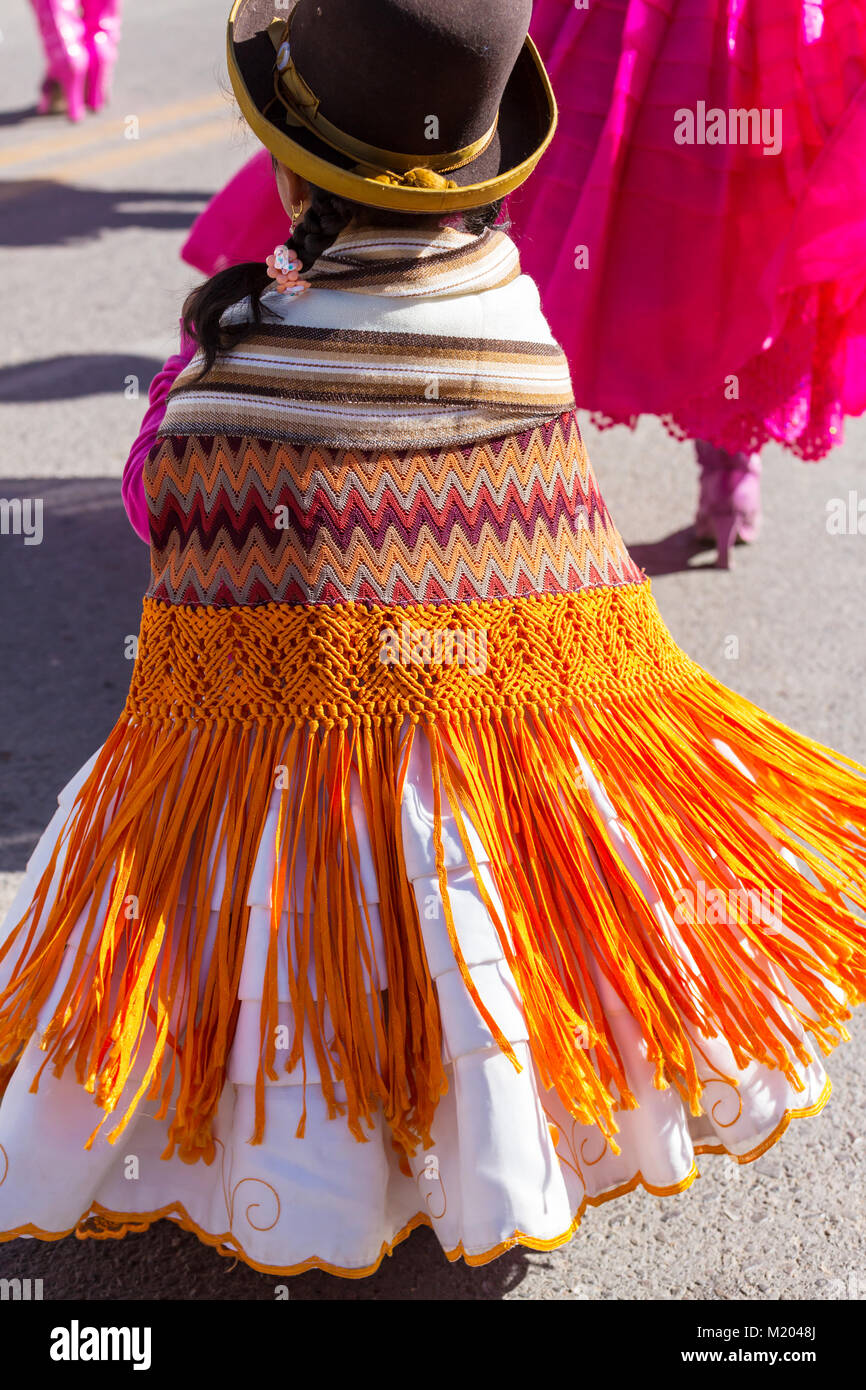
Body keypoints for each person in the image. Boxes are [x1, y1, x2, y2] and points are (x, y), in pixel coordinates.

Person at [0, 0, 864, 1280]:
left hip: (283, 773)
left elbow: (156, 510)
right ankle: (489, 1135)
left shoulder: (222, 388)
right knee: (461, 929)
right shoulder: (516, 325)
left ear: (293, 163)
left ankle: (297, 1153)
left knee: (287, 920)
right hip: (485, 788)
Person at [181, 0, 866, 568]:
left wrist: (190, 376)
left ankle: (493, 475)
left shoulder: (239, 325)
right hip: (730, 25)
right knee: (730, 230)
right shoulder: (517, 318)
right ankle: (710, 477)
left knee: (607, 214)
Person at [29, 0, 122, 122]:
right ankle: (100, 49)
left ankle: (68, 57)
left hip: (65, 54)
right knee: (100, 14)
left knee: (59, 13)